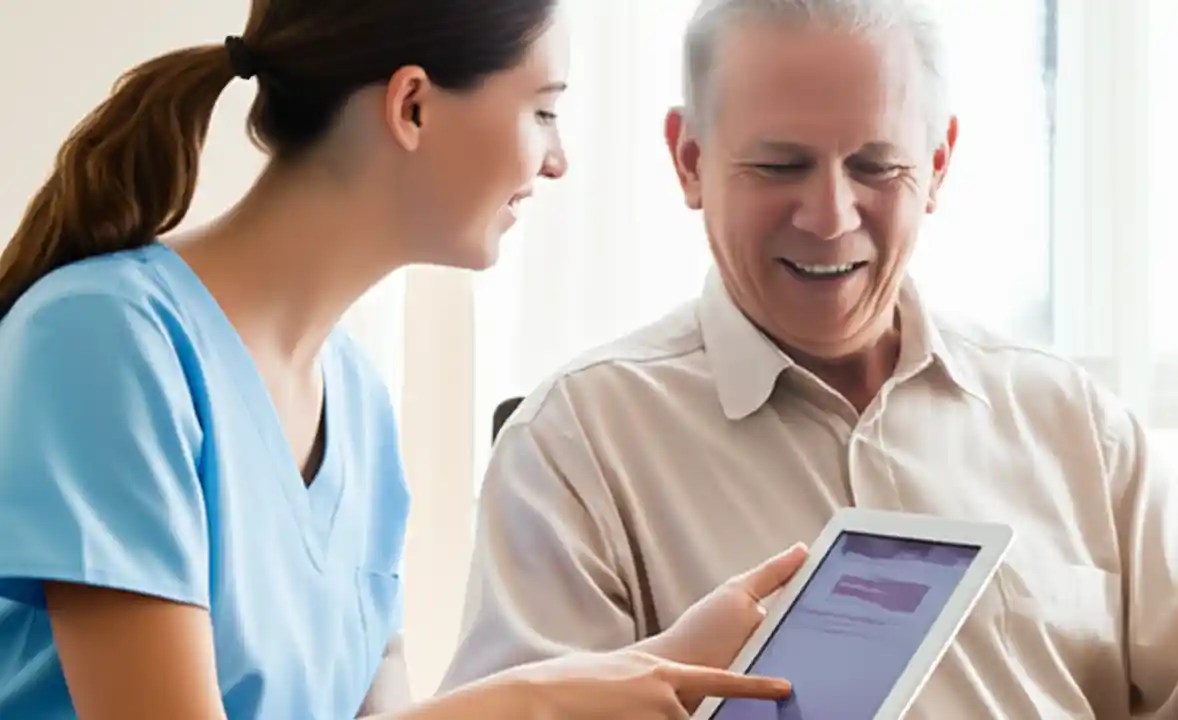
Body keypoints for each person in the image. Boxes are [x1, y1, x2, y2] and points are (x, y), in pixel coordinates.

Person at [440, 0, 1178, 716]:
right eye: (780, 165)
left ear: (940, 164)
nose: (831, 215)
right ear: (689, 160)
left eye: (877, 166)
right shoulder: (578, 443)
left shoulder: (1071, 420)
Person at [0, 1, 807, 718]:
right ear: (412, 105)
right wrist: (530, 699)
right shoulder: (104, 342)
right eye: (543, 112)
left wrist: (651, 666)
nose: (556, 161)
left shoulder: (355, 401)